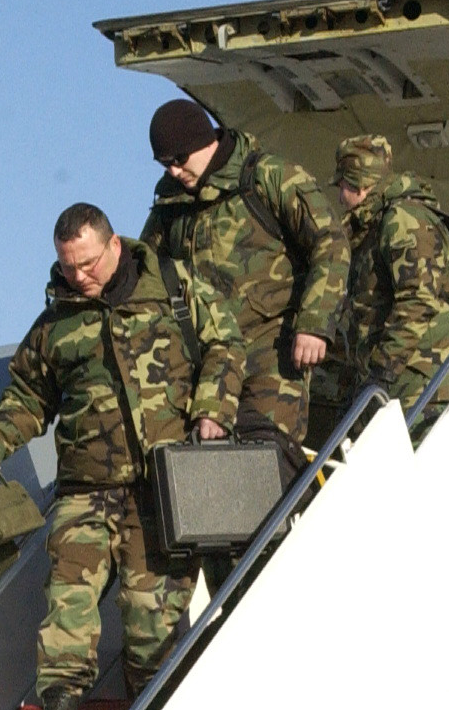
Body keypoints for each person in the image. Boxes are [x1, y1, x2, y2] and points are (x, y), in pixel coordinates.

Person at [0, 204, 241, 710]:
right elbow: (29, 396)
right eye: (67, 268)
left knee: (150, 627)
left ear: (114, 245)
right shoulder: (57, 321)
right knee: (66, 608)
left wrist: (213, 407)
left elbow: (225, 347)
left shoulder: (175, 290)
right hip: (86, 490)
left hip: (162, 490)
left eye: (87, 264)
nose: (78, 277)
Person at [138, 99, 343, 455]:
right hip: (209, 358)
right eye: (164, 164)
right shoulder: (170, 209)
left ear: (204, 142)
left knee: (267, 449)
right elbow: (145, 278)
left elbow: (330, 241)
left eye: (179, 160)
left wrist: (314, 321)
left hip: (273, 344)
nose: (173, 172)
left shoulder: (267, 177)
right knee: (203, 462)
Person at [334, 134, 449, 411]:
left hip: (422, 383)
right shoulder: (377, 223)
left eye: (343, 185)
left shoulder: (403, 220)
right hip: (401, 380)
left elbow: (419, 300)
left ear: (361, 183)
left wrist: (382, 369)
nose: (340, 196)